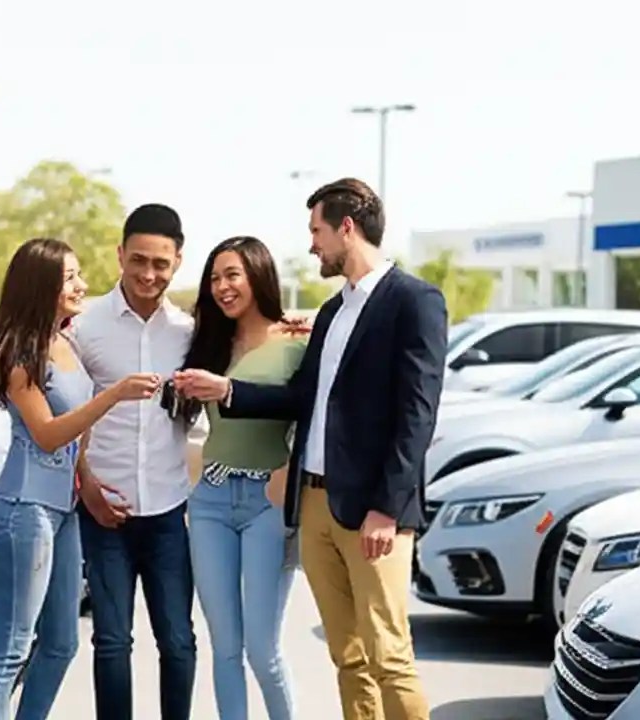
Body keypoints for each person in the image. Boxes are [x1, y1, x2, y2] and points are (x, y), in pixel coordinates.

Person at [175, 178, 446, 720]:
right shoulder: (330, 312)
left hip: (372, 511)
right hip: (315, 504)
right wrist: (228, 390)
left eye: (317, 231)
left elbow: (417, 414)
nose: (313, 244)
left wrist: (386, 509)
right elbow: (303, 399)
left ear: (347, 227)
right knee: (347, 656)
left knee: (388, 654)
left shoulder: (414, 301)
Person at [0, 237, 162, 720]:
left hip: (63, 508)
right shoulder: (18, 352)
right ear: (41, 288)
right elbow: (49, 435)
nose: (83, 285)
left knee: (61, 642)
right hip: (22, 509)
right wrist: (115, 394)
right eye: (71, 278)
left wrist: (90, 481)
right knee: (10, 646)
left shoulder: (66, 342)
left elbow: (75, 439)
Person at [68, 204, 199, 720]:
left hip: (169, 510)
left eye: (161, 264)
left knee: (179, 641)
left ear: (178, 262)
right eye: (138, 260)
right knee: (111, 642)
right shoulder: (85, 327)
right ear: (119, 255)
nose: (149, 274)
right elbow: (68, 413)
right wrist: (86, 485)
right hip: (104, 509)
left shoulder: (187, 334)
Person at [181, 236, 305, 720]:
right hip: (209, 501)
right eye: (214, 278)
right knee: (225, 647)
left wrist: (289, 471)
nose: (222, 287)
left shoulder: (297, 342)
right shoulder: (211, 343)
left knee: (261, 648)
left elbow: (318, 419)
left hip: (265, 503)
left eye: (232, 274)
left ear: (257, 274)